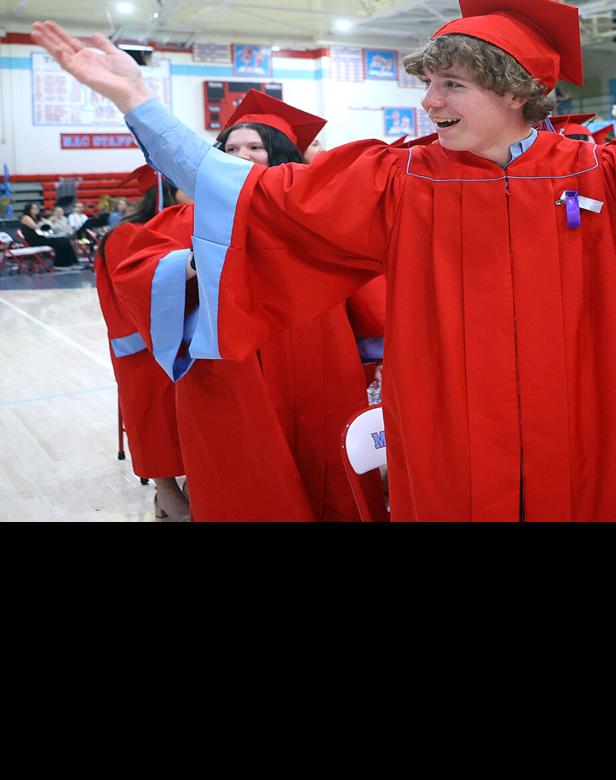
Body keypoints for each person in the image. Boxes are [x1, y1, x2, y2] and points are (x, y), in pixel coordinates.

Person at [33, 0, 616, 521]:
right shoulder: (397, 179)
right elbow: (239, 193)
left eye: (451, 86)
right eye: (429, 85)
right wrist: (136, 101)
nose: (428, 102)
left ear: (514, 90)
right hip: (455, 441)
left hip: (604, 423)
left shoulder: (610, 170)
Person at [101, 92, 388, 521]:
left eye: (255, 147)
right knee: (245, 476)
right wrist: (195, 263)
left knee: (325, 466)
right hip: (228, 372)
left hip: (321, 364)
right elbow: (138, 275)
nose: (242, 155)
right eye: (230, 149)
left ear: (280, 154)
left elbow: (368, 294)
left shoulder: (314, 218)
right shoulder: (185, 219)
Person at [95, 167, 188, 520]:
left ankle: (194, 483)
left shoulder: (194, 223)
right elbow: (134, 294)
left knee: (194, 418)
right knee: (155, 417)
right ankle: (166, 490)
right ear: (165, 191)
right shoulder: (127, 234)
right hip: (145, 348)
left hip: (187, 343)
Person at [18, 202, 79, 267]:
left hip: (42, 238)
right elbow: (37, 227)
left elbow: (47, 226)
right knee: (59, 242)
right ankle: (59, 264)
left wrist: (49, 222)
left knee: (65, 240)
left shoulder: (38, 218)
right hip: (34, 240)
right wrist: (47, 222)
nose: (37, 209)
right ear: (29, 210)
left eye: (37, 208)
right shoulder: (25, 217)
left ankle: (72, 263)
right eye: (34, 208)